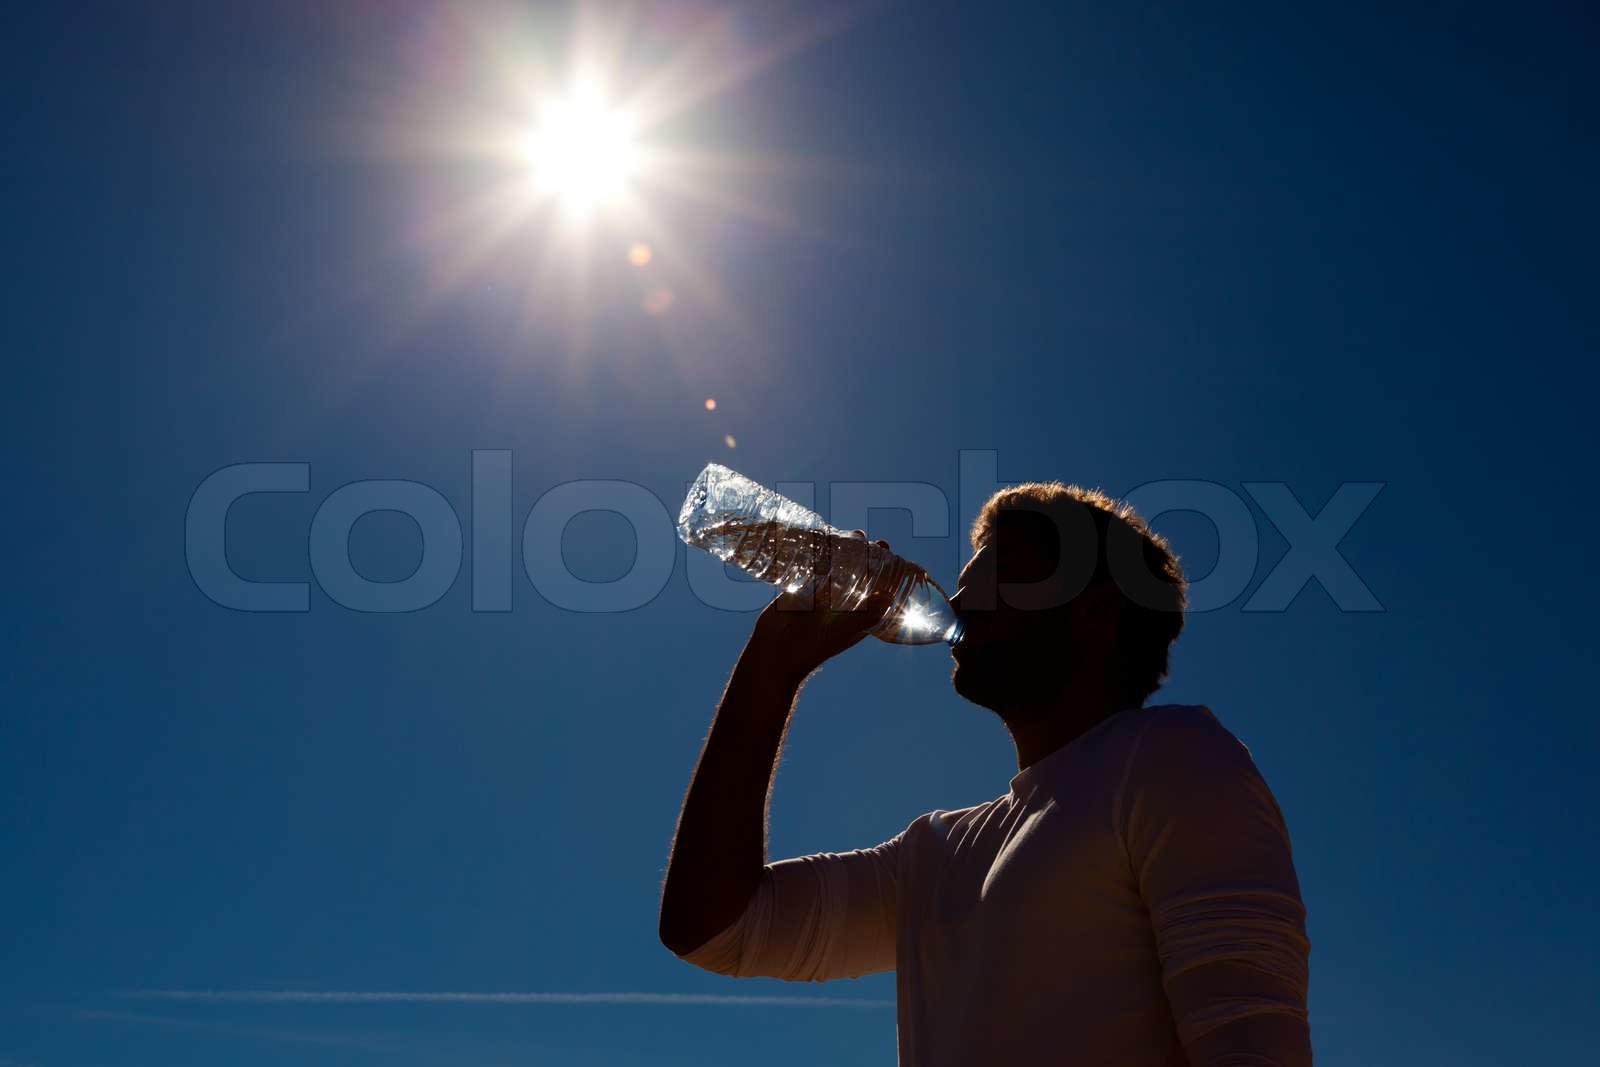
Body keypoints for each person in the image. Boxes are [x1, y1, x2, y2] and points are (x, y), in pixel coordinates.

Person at [659, 482, 1311, 1066]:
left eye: (996, 576)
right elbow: (714, 928)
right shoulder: (932, 855)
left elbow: (1251, 1043)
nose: (960, 598)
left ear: (1093, 612)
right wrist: (773, 663)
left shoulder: (1174, 756)